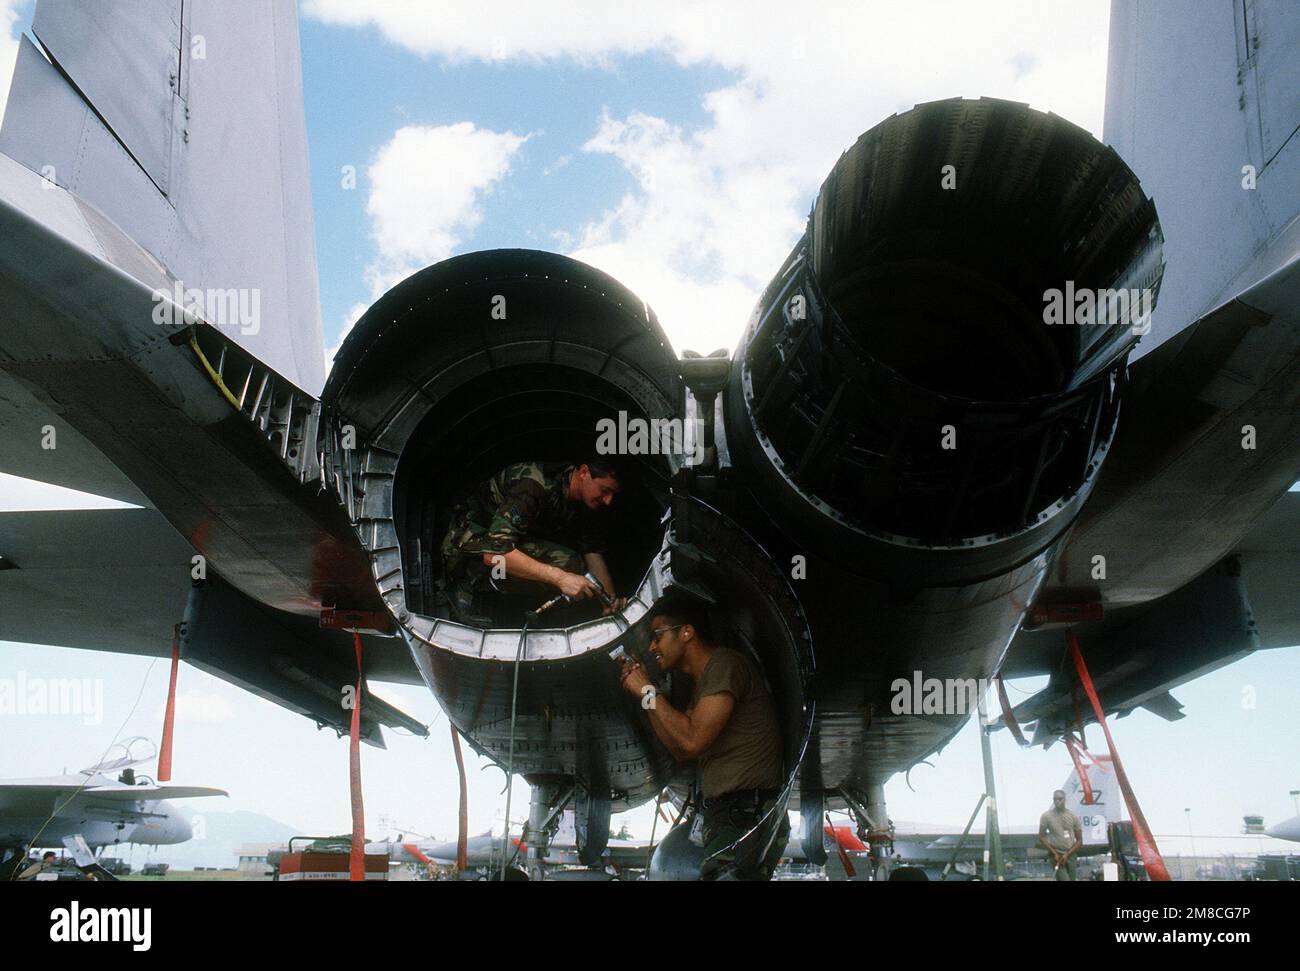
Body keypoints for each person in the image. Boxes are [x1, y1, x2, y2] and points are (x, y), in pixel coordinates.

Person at [618, 593, 788, 880]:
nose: (652, 646)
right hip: (732, 816)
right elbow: (681, 751)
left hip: (742, 815)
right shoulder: (705, 683)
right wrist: (645, 695)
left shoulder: (725, 664)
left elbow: (692, 740)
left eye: (658, 636)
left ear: (686, 632)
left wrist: (647, 690)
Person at [440, 458, 625, 623]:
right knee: (568, 565)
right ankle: (472, 584)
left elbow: (591, 550)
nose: (608, 501)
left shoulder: (583, 501)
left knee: (573, 564)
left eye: (613, 494)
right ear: (584, 472)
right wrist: (561, 578)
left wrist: (608, 600)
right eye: (605, 490)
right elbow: (494, 555)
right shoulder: (533, 484)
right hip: (467, 542)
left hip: (512, 541)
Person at [1039, 788, 1082, 880]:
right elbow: (1041, 837)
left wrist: (1068, 854)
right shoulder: (1046, 816)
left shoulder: (1073, 816)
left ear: (1065, 800)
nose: (1057, 801)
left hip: (1071, 855)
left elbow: (1079, 841)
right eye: (1055, 799)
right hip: (1056, 855)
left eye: (1060, 799)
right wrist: (1054, 852)